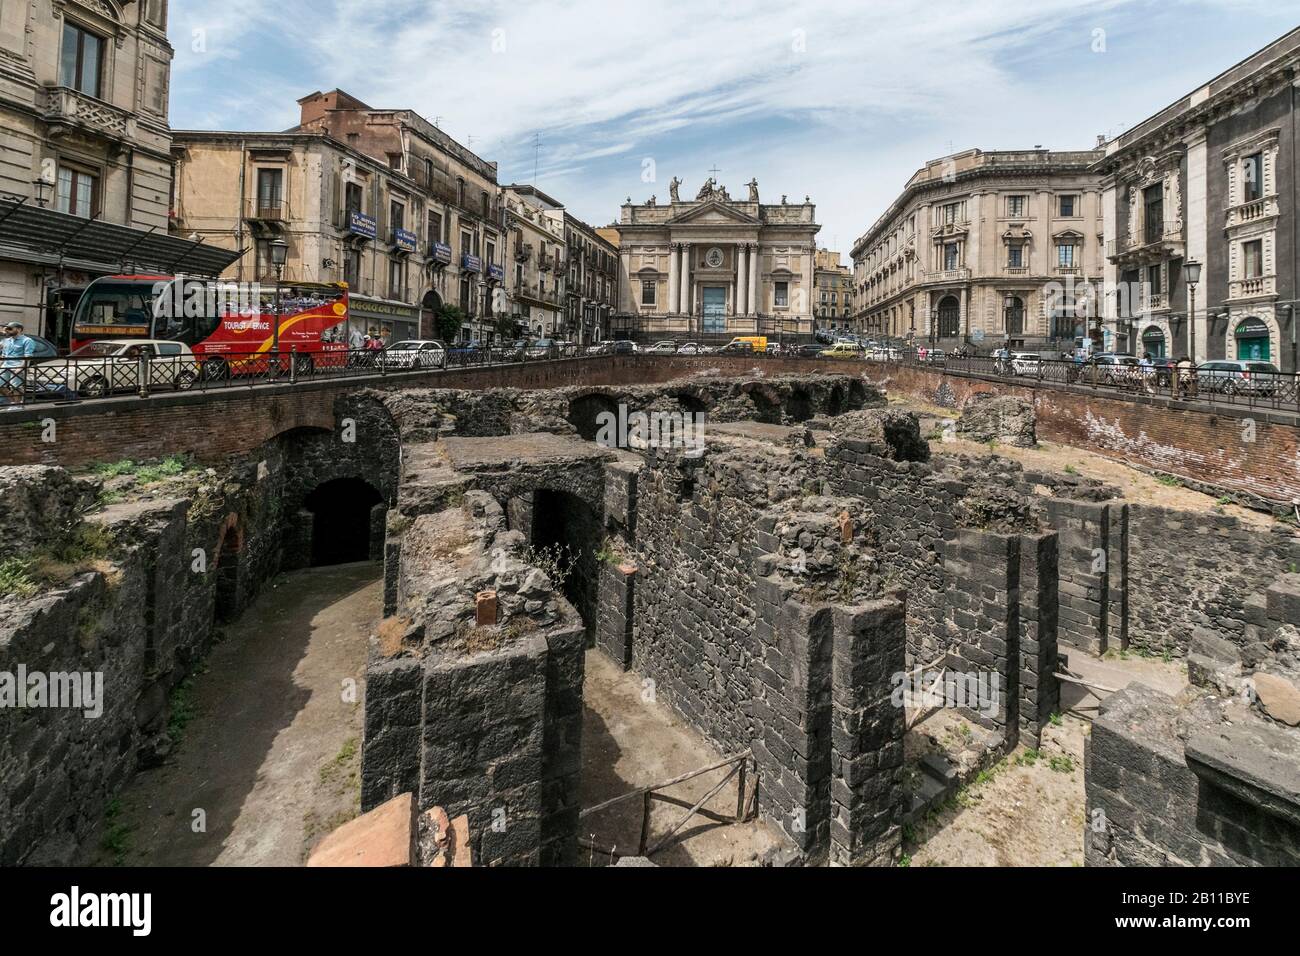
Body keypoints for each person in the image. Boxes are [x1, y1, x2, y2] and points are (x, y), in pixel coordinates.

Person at [1, 321, 36, 408]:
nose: (8, 330)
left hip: (17, 366)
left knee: (16, 387)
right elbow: (3, 355)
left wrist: (21, 368)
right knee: (0, 385)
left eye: (10, 328)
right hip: (5, 365)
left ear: (19, 329)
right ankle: (13, 402)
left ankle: (17, 405)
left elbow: (27, 356)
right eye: (7, 329)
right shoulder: (6, 340)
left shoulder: (27, 340)